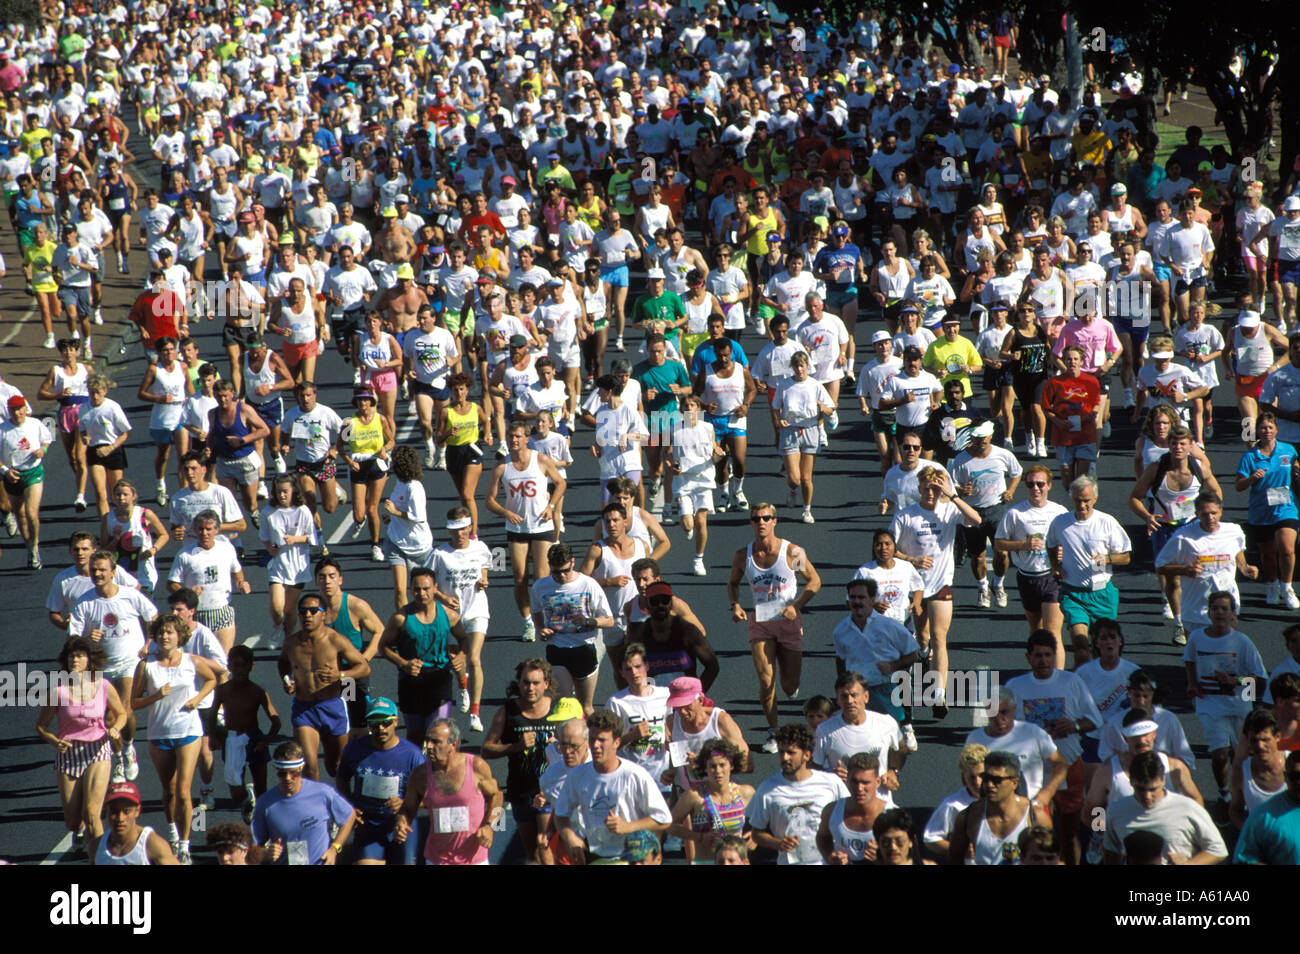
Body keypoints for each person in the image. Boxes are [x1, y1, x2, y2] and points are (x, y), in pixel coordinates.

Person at [728, 501, 821, 753]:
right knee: (766, 680)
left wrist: (797, 605)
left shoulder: (792, 552)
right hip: (760, 624)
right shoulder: (742, 555)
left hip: (789, 622)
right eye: (756, 519)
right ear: (751, 522)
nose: (761, 523)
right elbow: (733, 583)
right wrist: (735, 604)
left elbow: (814, 581)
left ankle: (791, 685)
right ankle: (773, 732)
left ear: (774, 521)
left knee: (789, 686)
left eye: (766, 518)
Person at [890, 466, 981, 716]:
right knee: (923, 638)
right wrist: (912, 560)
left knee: (940, 638)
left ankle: (939, 694)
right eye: (926, 488)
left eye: (935, 488)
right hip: (915, 586)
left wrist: (951, 495)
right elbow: (887, 549)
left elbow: (976, 520)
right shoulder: (906, 515)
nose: (930, 493)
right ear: (918, 489)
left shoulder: (949, 509)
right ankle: (922, 654)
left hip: (941, 584)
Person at [129, 613, 218, 864]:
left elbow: (212, 678)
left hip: (189, 731)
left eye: (170, 632)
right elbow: (133, 702)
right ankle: (172, 833)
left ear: (180, 636)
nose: (165, 637)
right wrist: (156, 696)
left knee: (183, 791)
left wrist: (198, 699)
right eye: (161, 633)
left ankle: (185, 845)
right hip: (160, 733)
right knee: (168, 791)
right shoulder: (147, 665)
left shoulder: (190, 661)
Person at [34, 636, 128, 860]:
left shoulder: (103, 686)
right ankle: (78, 832)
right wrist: (54, 740)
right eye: (71, 656)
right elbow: (41, 726)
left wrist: (115, 728)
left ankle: (103, 859)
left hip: (98, 750)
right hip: (68, 753)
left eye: (79, 655)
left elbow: (122, 713)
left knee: (92, 813)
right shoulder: (58, 691)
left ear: (90, 659)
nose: (75, 659)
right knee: (73, 820)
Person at [69, 550, 158, 784]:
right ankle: (118, 757)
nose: (98, 574)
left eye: (102, 570)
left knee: (125, 710)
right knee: (109, 718)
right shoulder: (84, 602)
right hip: (101, 667)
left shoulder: (130, 595)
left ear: (113, 572)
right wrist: (88, 637)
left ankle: (128, 748)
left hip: (130, 662)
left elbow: (153, 616)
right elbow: (73, 638)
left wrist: (149, 642)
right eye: (94, 569)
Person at [553, 709, 672, 864]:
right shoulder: (577, 775)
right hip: (595, 856)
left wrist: (627, 827)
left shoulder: (635, 775)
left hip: (631, 857)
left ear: (617, 742)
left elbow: (664, 819)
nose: (595, 745)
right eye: (592, 739)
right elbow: (561, 814)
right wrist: (570, 838)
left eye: (602, 740)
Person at [1183, 591, 1268, 804]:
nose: (1219, 612)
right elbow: (1189, 660)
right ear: (1208, 613)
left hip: (1239, 706)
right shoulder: (1196, 637)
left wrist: (1235, 681)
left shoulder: (1242, 642)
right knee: (1219, 755)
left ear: (1233, 614)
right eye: (1215, 608)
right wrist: (1192, 683)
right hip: (1209, 704)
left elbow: (1259, 677)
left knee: (1239, 756)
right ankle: (1224, 793)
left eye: (1224, 608)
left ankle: (1241, 792)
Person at [487, 420, 567, 641]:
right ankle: (528, 622)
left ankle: (546, 618)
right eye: (511, 436)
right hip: (516, 528)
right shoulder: (502, 467)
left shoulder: (540, 460)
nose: (514, 440)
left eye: (518, 436)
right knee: (519, 577)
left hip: (541, 526)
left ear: (526, 438)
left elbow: (560, 483)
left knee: (541, 577)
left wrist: (551, 507)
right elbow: (489, 501)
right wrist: (505, 513)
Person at [278, 590, 372, 780]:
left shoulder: (335, 640)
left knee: (336, 767)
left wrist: (340, 675)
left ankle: (343, 806)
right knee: (309, 768)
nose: (307, 615)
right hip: (304, 708)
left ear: (324, 614)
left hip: (333, 706)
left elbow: (364, 667)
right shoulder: (291, 643)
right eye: (303, 611)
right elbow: (282, 664)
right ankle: (316, 808)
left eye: (313, 611)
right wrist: (287, 680)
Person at [1046, 475, 1132, 667]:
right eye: (1078, 500)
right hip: (1073, 594)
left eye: (1086, 501)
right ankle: (1081, 690)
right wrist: (1055, 567)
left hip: (1102, 595)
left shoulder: (1107, 522)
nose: (1082, 505)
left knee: (1102, 651)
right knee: (1080, 645)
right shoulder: (1060, 523)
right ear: (1072, 498)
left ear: (1095, 498)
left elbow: (1126, 556)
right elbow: (1050, 544)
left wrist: (1106, 559)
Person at [378, 567, 469, 745]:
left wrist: (461, 656)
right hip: (411, 681)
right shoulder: (400, 618)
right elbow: (383, 647)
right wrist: (403, 663)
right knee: (415, 736)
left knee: (437, 734)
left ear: (435, 587)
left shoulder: (449, 615)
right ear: (410, 589)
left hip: (440, 678)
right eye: (417, 589)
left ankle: (440, 771)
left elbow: (464, 639)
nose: (421, 593)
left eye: (426, 589)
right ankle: (418, 771)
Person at [335, 696, 426, 866]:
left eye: (386, 722)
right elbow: (341, 778)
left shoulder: (413, 755)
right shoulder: (354, 749)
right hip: (368, 827)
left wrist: (405, 804)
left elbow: (428, 795)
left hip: (402, 825)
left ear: (396, 722)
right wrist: (349, 807)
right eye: (374, 724)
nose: (380, 728)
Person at [1155, 491, 1255, 645]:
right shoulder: (1183, 537)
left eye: (1214, 513)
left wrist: (1244, 567)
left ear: (1221, 511)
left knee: (1228, 653)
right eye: (1205, 514)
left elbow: (1238, 551)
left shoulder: (1233, 531)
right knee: (1199, 659)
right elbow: (1161, 566)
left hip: (1226, 604)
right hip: (1196, 609)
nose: (1210, 518)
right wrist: (1184, 570)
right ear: (1197, 514)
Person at [747, 722, 850, 865]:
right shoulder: (767, 789)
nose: (784, 757)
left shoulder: (832, 782)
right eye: (781, 751)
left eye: (791, 752)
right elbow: (757, 833)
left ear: (807, 755)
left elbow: (850, 818)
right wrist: (778, 843)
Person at [530, 542, 614, 714]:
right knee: (563, 706)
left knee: (586, 707)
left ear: (573, 562)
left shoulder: (588, 584)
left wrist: (589, 621)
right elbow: (536, 610)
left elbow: (609, 620)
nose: (561, 576)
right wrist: (540, 629)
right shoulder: (540, 586)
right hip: (557, 649)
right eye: (556, 572)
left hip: (584, 649)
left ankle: (589, 739)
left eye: (565, 570)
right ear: (549, 566)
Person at [1102, 751, 1228, 864]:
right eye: (1140, 789)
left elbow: (1218, 850)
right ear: (1131, 781)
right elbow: (1111, 852)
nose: (1147, 796)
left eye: (1153, 789)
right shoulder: (1115, 811)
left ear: (1163, 780)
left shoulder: (1188, 808)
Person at [252, 741, 358, 866]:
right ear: (276, 769)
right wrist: (266, 853)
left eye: (293, 773)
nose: (287, 778)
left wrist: (335, 848)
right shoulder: (265, 803)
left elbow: (349, 816)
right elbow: (253, 848)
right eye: (282, 773)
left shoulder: (322, 793)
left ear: (301, 768)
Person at [1235, 411, 1299, 608]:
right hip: (1261, 511)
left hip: (1286, 508)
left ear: (1276, 430)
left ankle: (1287, 587)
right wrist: (1252, 478)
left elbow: (1296, 467)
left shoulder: (1288, 451)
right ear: (1257, 431)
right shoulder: (1249, 457)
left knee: (1287, 549)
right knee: (1268, 554)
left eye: (1270, 427)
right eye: (1263, 428)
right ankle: (1272, 585)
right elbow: (1238, 485)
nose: (1267, 431)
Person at [948, 750, 1053, 865]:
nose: (989, 785)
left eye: (997, 780)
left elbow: (1052, 858)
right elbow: (955, 857)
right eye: (986, 778)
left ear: (1015, 783)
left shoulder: (1036, 817)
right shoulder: (968, 817)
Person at [166, 509, 249, 652]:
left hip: (221, 611)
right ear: (195, 530)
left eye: (209, 529)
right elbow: (171, 583)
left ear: (216, 530)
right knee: (196, 662)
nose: (204, 533)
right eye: (200, 529)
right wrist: (187, 593)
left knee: (223, 661)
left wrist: (241, 583)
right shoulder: (185, 554)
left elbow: (237, 571)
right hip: (195, 614)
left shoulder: (227, 549)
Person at [813, 672, 908, 796]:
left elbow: (901, 748)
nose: (850, 701)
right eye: (844, 696)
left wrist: (893, 771)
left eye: (854, 695)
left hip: (879, 803)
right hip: (843, 804)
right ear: (838, 699)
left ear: (866, 697)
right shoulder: (824, 730)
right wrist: (830, 775)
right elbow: (814, 768)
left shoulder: (886, 723)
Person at [772, 351, 836, 523]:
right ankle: (792, 490)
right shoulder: (784, 385)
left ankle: (806, 510)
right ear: (792, 367)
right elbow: (776, 406)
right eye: (797, 366)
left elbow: (831, 408)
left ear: (808, 366)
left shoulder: (815, 385)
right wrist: (780, 420)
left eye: (803, 365)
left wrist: (824, 408)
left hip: (810, 431)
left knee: (806, 478)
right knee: (794, 478)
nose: (800, 369)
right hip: (790, 431)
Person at [667, 740, 754, 863]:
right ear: (705, 768)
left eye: (722, 765)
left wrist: (755, 836)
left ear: (731, 765)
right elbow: (668, 825)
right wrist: (699, 837)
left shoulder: (745, 793)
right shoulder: (694, 796)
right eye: (712, 766)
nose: (718, 771)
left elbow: (764, 819)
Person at [0, 393, 54, 567]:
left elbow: (47, 439)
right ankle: (29, 547)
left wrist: (43, 451)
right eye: (13, 410)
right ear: (9, 411)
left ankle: (35, 546)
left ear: (25, 409)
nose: (17, 414)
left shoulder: (35, 424)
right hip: (13, 475)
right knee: (20, 515)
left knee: (31, 513)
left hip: (33, 472)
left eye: (20, 409)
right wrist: (5, 471)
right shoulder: (3, 429)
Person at [382, 445, 432, 610]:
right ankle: (403, 628)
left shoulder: (414, 487)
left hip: (418, 546)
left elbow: (418, 517)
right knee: (399, 590)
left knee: (422, 592)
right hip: (396, 542)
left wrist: (394, 511)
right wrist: (392, 517)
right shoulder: (400, 483)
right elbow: (401, 507)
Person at [1234, 750, 1300, 865]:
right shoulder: (1263, 816)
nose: (1299, 781)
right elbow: (1243, 858)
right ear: (1285, 776)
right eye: (1295, 776)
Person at [78, 374, 131, 519]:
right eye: (91, 393)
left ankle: (121, 521)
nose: (95, 396)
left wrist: (111, 448)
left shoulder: (112, 407)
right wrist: (84, 436)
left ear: (104, 391)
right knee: (100, 493)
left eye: (98, 393)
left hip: (113, 450)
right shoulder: (83, 409)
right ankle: (105, 526)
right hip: (95, 451)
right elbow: (82, 428)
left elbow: (126, 433)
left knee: (117, 494)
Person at [1228, 708, 1287, 831]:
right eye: (1254, 740)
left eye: (1265, 740)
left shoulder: (1294, 764)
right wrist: (1251, 833)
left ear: (1277, 737)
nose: (1260, 746)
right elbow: (1235, 811)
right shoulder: (1241, 772)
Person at [93, 781, 179, 866]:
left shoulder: (152, 845)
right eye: (114, 812)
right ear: (105, 812)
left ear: (137, 811)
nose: (120, 818)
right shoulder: (97, 847)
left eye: (127, 811)